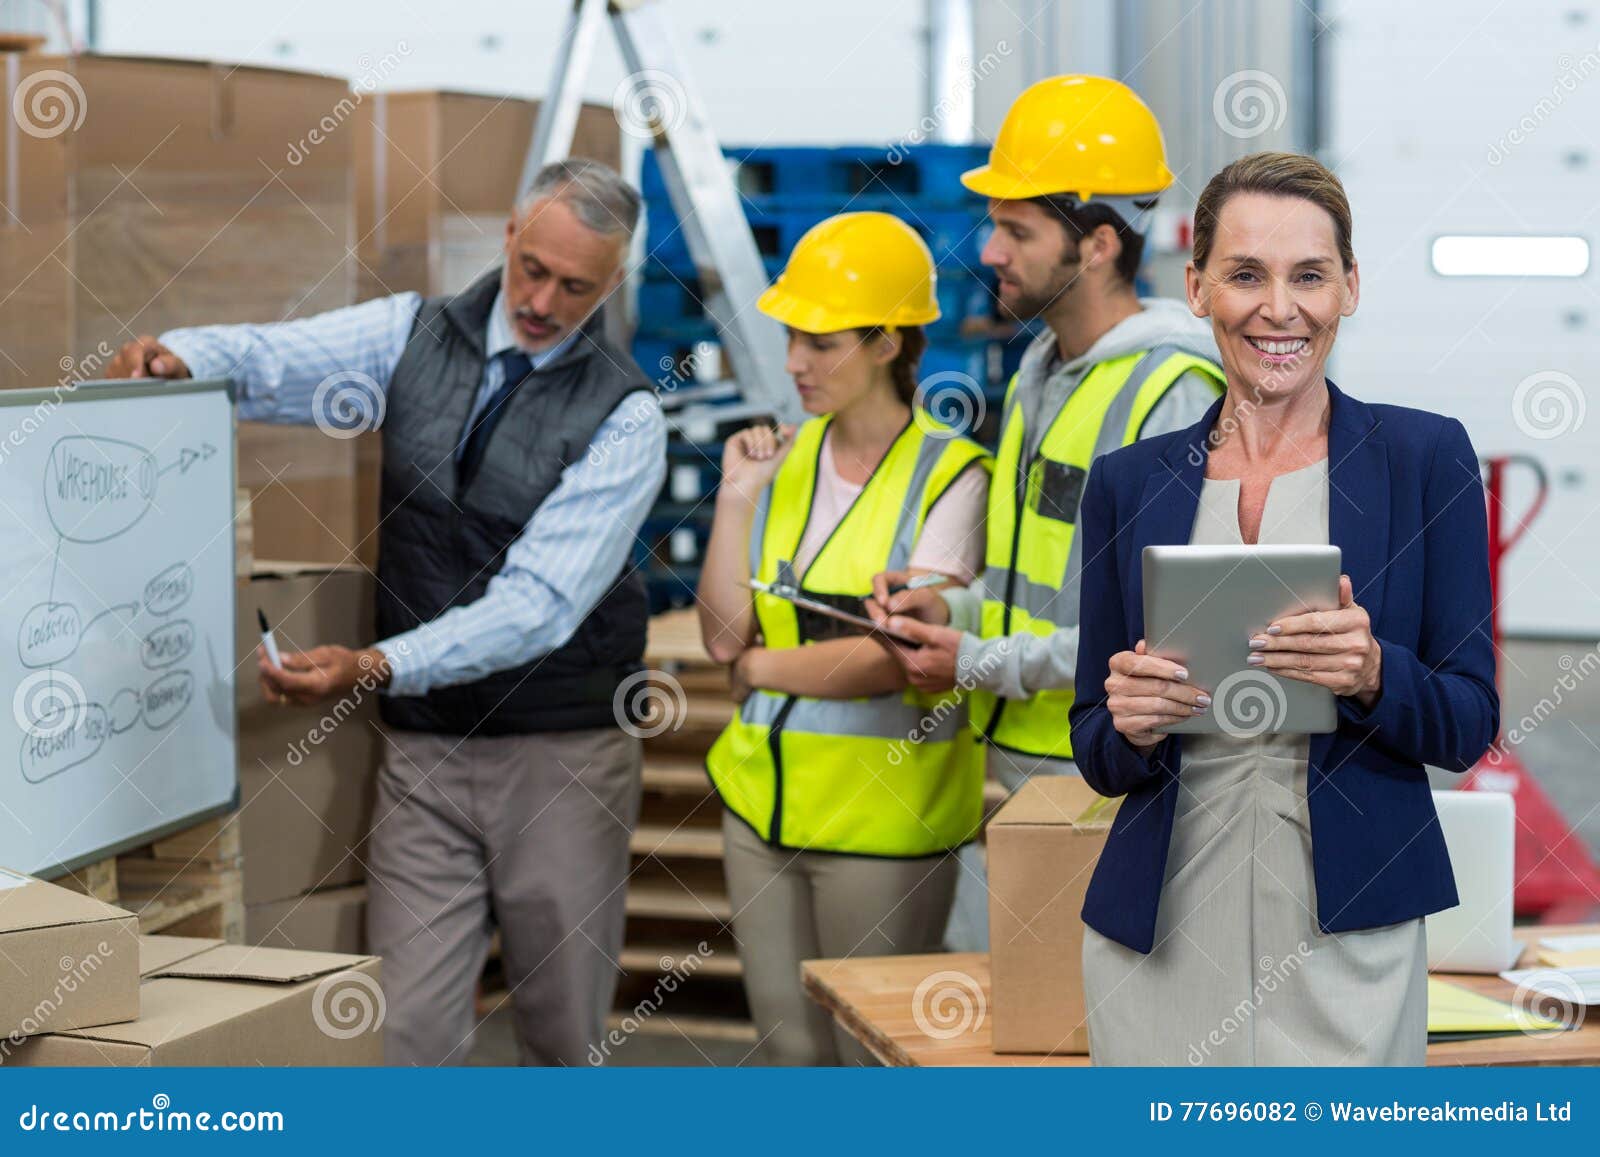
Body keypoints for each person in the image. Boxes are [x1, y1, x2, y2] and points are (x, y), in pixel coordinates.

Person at [106, 159, 667, 1067]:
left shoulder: (625, 415)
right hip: (425, 753)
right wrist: (185, 354)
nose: (543, 301)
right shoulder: (415, 334)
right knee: (405, 1031)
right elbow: (278, 359)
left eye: (576, 288)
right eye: (534, 269)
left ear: (611, 285)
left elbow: (537, 606)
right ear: (512, 235)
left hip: (558, 754)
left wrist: (374, 664)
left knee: (562, 1034)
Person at [1068, 152, 1499, 1065]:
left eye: (1310, 275)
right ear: (1196, 287)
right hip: (1160, 940)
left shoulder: (1426, 460)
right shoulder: (1128, 485)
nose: (1280, 308)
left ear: (1350, 286)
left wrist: (1377, 673)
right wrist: (1130, 722)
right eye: (1245, 274)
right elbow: (1095, 747)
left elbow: (1468, 721)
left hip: (1347, 944)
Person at [870, 75, 1224, 951]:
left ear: (1098, 242)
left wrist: (978, 658)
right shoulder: (1041, 375)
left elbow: (1177, 636)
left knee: (1081, 1037)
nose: (989, 251)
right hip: (1021, 762)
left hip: (1109, 776)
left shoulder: (1172, 396)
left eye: (1015, 230)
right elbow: (1044, 578)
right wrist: (949, 610)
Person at [697, 211, 992, 1065]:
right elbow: (720, 635)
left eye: (820, 341)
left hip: (885, 822)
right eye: (792, 336)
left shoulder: (954, 477)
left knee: (873, 1066)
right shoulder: (780, 459)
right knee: (789, 1056)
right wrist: (735, 498)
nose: (794, 361)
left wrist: (760, 665)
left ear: (887, 341)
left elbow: (892, 659)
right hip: (759, 810)